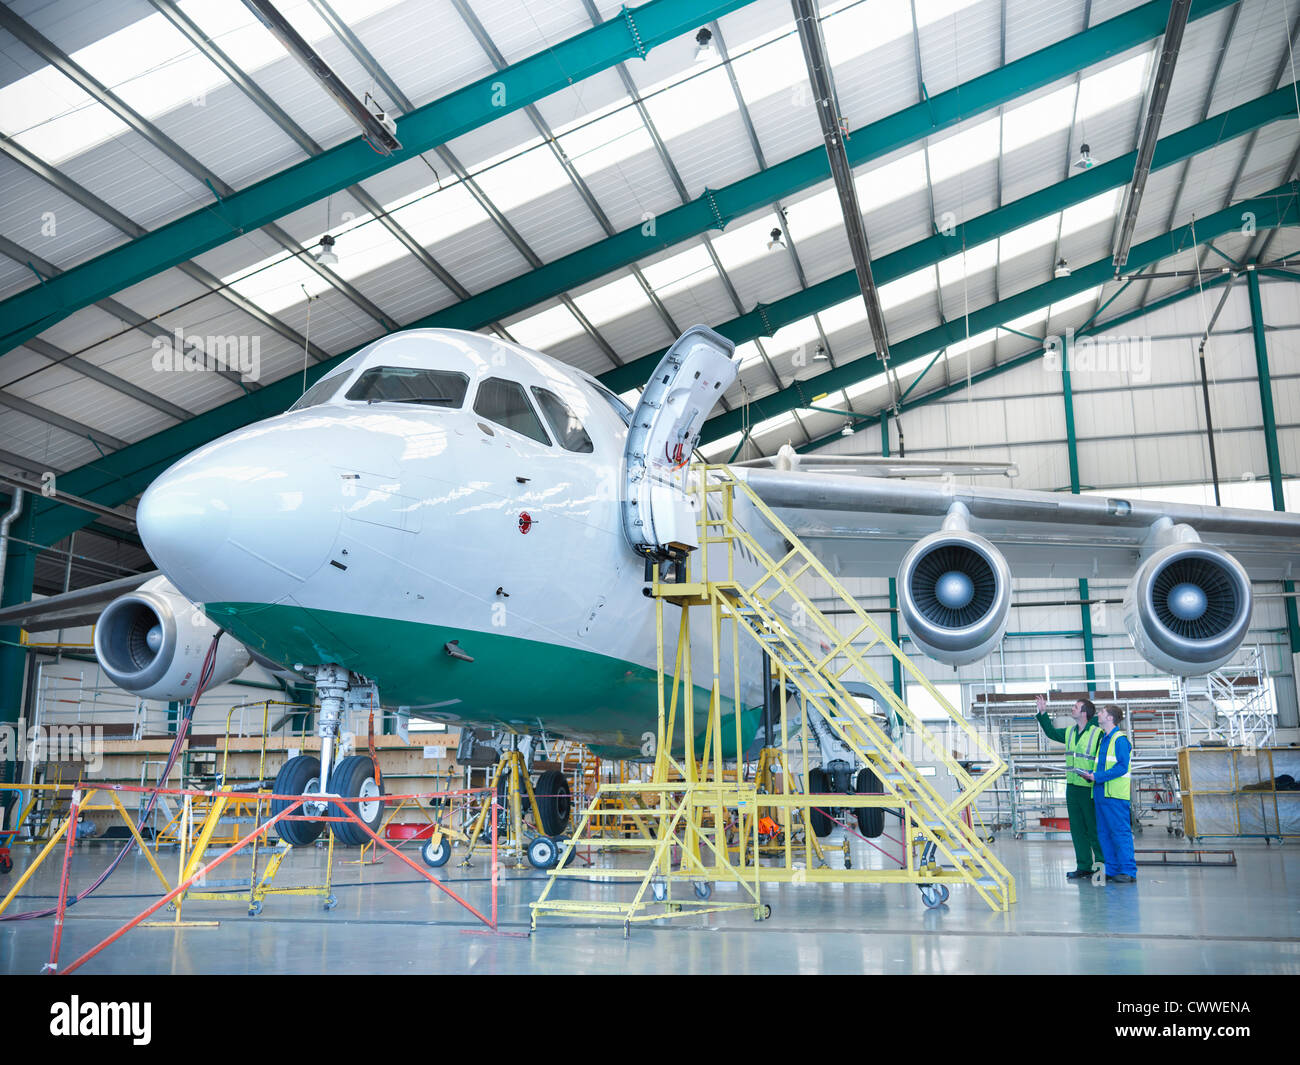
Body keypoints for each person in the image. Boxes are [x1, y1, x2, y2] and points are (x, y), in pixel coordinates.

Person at [1033, 694, 1103, 880]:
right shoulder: (1070, 732)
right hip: (1072, 787)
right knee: (1077, 830)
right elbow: (1051, 733)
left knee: (1093, 829)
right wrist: (1042, 712)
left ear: (1084, 713)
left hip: (1089, 787)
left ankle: (1101, 867)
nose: (1072, 708)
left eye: (1076, 707)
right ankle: (1084, 866)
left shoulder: (1097, 733)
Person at [1078, 704, 1137, 883]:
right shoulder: (1104, 739)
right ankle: (1111, 869)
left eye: (1102, 712)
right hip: (1100, 793)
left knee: (1120, 833)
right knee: (1104, 834)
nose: (1099, 714)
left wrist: (1097, 776)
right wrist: (1090, 775)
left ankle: (1128, 871)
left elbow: (1122, 767)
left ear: (1110, 718)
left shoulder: (1120, 740)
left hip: (1115, 796)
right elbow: (1103, 767)